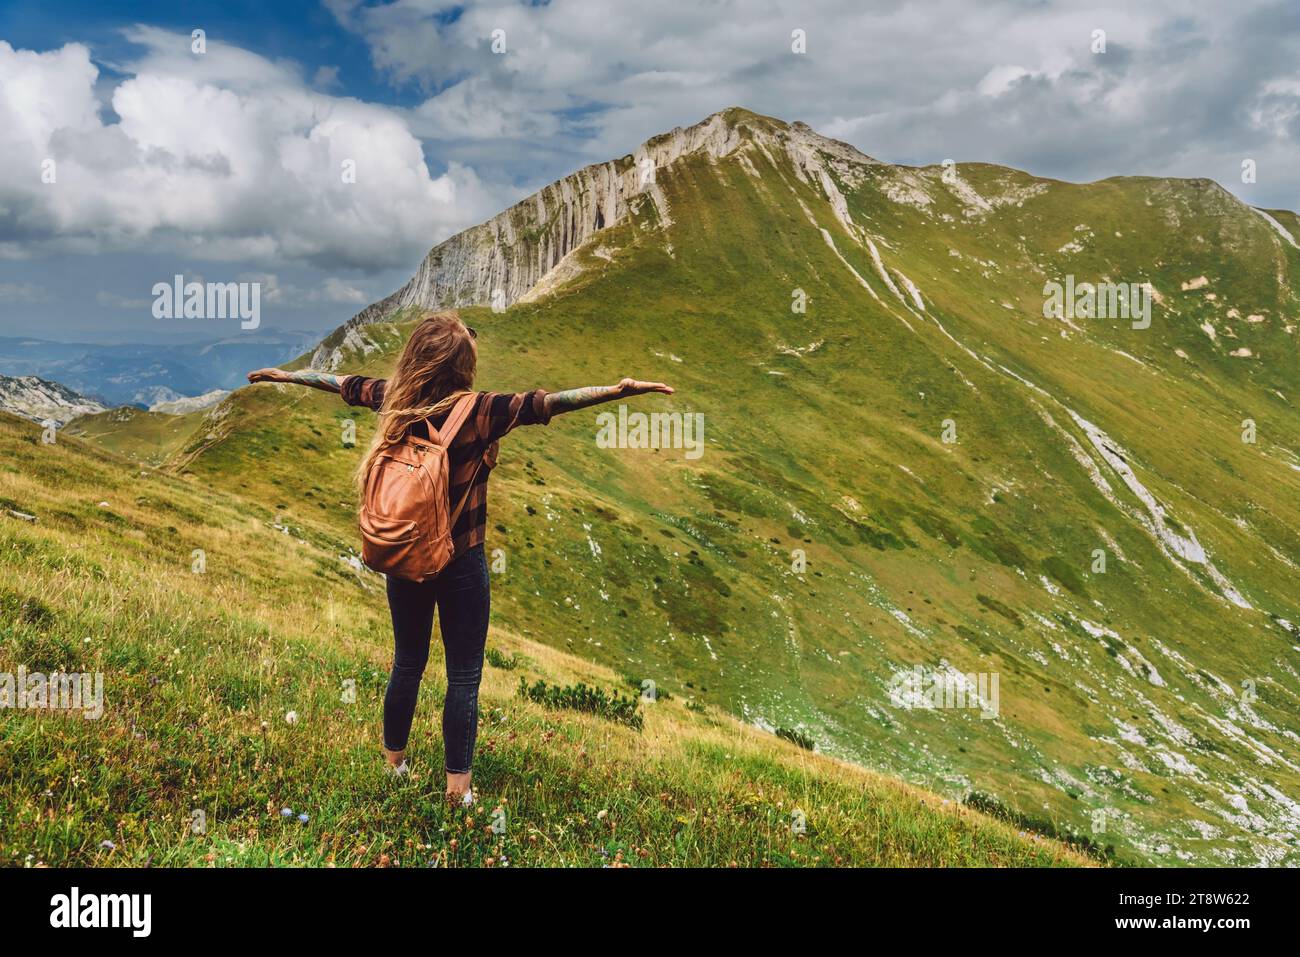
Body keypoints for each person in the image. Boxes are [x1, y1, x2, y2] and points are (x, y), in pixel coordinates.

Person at [248, 310, 673, 804]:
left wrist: (284, 375)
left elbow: (341, 383)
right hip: (461, 562)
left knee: (407, 662)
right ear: (463, 366)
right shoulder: (480, 411)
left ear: (417, 358)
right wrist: (618, 391)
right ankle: (457, 793)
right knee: (463, 676)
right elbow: (548, 404)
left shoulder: (395, 399)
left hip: (406, 555)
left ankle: (395, 766)